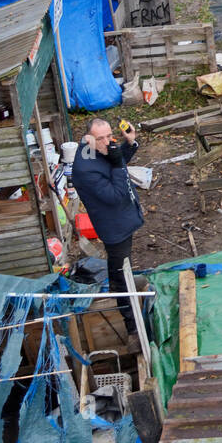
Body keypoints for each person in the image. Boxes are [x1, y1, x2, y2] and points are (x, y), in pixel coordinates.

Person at [71, 118, 147, 330]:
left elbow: (116, 159)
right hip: (115, 227)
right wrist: (116, 162)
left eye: (109, 136)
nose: (107, 142)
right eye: (100, 139)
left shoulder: (98, 149)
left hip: (124, 218)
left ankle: (127, 293)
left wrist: (129, 144)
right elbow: (116, 193)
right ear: (88, 139)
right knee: (121, 275)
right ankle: (133, 324)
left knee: (122, 268)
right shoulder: (84, 169)